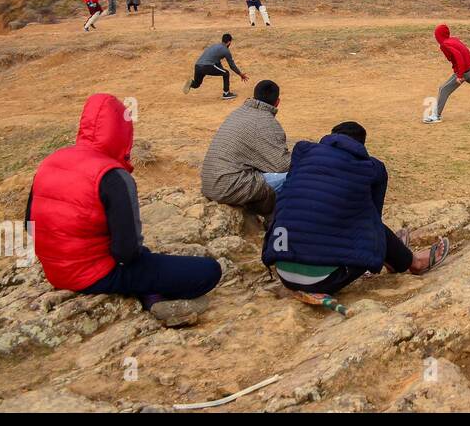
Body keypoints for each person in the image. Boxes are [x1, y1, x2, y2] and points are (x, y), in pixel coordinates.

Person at [27, 94, 221, 326]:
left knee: (147, 263)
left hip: (55, 273)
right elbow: (126, 252)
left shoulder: (51, 161)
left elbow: (30, 226)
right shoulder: (113, 176)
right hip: (96, 275)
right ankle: (152, 295)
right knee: (208, 270)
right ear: (122, 132)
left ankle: (151, 295)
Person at [262, 121, 450, 297]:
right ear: (361, 145)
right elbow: (373, 220)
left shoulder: (303, 154)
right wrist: (383, 246)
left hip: (283, 271)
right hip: (321, 281)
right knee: (368, 224)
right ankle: (414, 263)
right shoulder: (371, 167)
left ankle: (393, 256)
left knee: (310, 210)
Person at [200, 79, 290, 217]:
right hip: (227, 187)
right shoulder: (267, 123)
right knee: (295, 176)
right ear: (277, 102)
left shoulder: (239, 112)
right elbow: (282, 166)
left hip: (210, 182)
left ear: (254, 96)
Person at [184, 34, 248, 99]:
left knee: (197, 84)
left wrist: (222, 70)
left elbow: (217, 63)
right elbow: (232, 65)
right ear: (229, 42)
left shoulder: (214, 46)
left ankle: (191, 83)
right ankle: (226, 93)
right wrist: (240, 74)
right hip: (207, 66)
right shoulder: (225, 50)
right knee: (226, 73)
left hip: (197, 66)